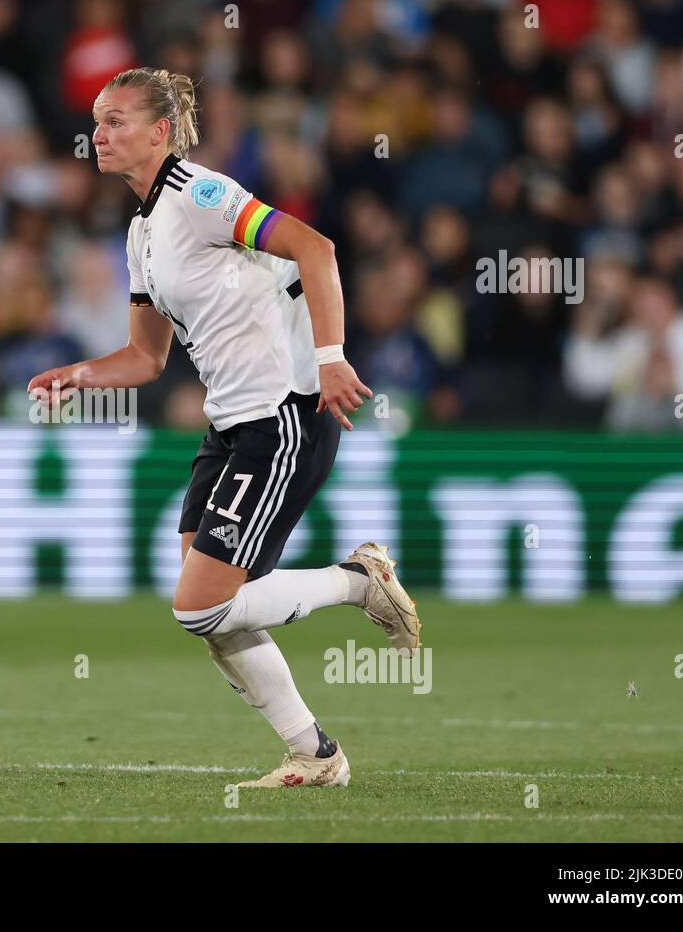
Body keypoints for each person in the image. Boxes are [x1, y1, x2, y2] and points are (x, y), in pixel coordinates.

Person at [28, 68, 422, 789]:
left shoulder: (199, 195)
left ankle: (358, 581)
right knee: (211, 611)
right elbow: (147, 358)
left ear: (160, 132)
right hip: (230, 424)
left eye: (116, 120)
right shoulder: (142, 230)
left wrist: (330, 359)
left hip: (284, 414)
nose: (99, 132)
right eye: (96, 118)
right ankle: (316, 754)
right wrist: (79, 374)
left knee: (200, 604)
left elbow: (317, 248)